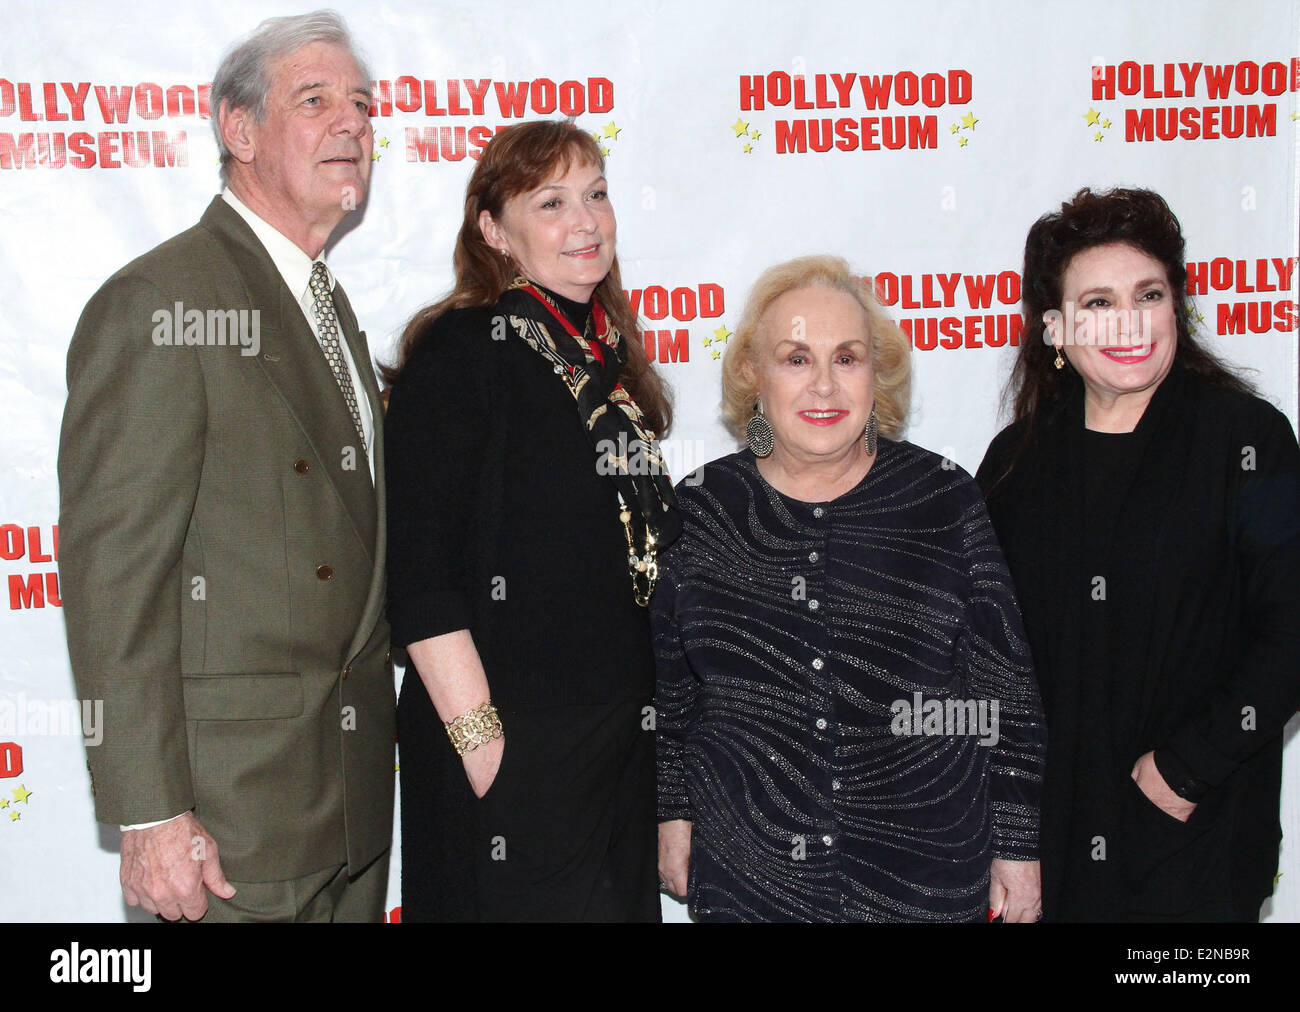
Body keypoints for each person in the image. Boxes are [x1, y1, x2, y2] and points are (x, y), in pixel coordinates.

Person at [57, 11, 394, 922]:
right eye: (315, 100)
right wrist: (152, 813)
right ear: (237, 129)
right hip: (229, 826)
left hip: (354, 808)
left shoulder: (328, 305)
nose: (353, 123)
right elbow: (115, 578)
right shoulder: (161, 302)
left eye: (363, 105)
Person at [654, 255, 1046, 922]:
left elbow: (1002, 688)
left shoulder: (943, 499)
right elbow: (670, 692)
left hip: (923, 876)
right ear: (754, 374)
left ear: (877, 373)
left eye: (847, 358)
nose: (825, 387)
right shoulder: (703, 508)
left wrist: (1017, 844)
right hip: (754, 878)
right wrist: (672, 811)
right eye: (797, 359)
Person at [977, 186, 1300, 921]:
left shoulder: (1250, 441)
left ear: (1175, 308)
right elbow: (984, 651)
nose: (1127, 321)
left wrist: (1182, 775)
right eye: (1096, 303)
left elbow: (1292, 631)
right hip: (1044, 849)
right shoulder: (1014, 463)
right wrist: (1006, 828)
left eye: (1147, 294)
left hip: (1196, 837)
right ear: (1054, 329)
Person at [384, 119, 678, 922]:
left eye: (596, 195)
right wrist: (488, 751)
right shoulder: (465, 349)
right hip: (515, 748)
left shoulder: (608, 365)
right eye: (551, 202)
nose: (586, 222)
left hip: (618, 746)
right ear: (493, 230)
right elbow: (419, 573)